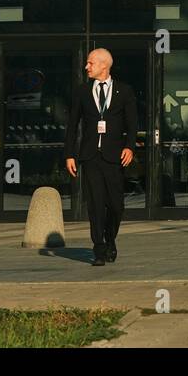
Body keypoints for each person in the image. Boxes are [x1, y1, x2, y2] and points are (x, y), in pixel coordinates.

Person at [65, 48, 137, 266]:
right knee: (95, 204)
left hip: (114, 157)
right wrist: (70, 154)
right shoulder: (82, 91)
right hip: (90, 156)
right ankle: (99, 248)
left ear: (104, 65)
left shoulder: (124, 91)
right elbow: (72, 125)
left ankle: (110, 239)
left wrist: (129, 147)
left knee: (116, 205)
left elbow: (132, 123)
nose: (86, 67)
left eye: (91, 63)